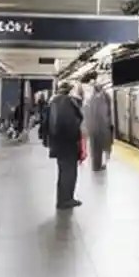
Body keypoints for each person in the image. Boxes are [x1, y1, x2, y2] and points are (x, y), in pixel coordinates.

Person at [47, 82, 84, 210]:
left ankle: (63, 199)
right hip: (67, 144)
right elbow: (70, 123)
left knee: (63, 172)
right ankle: (66, 200)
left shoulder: (54, 102)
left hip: (58, 144)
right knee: (69, 172)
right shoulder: (65, 103)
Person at [83, 80, 113, 173]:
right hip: (100, 128)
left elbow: (86, 114)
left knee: (95, 148)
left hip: (93, 128)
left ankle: (96, 166)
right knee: (101, 148)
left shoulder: (90, 99)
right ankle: (98, 166)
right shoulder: (103, 98)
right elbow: (105, 114)